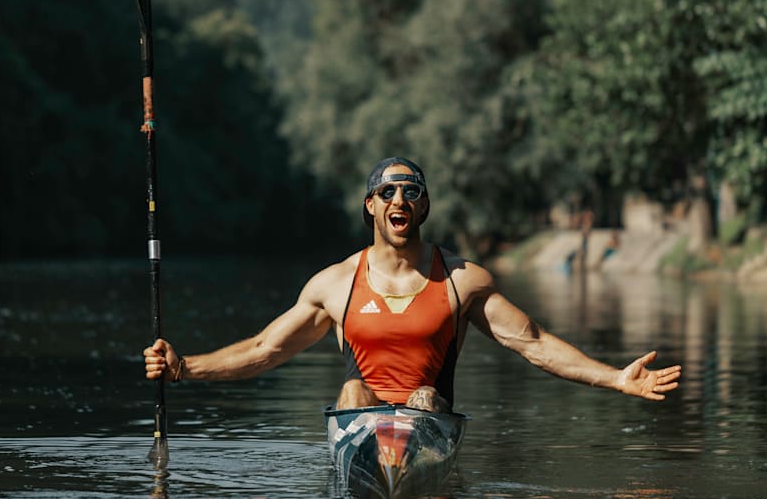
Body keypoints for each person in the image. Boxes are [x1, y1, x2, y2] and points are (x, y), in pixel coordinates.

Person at [143, 157, 681, 413]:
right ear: (370, 206)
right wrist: (185, 368)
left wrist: (616, 379)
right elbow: (265, 349)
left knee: (424, 397)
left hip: (431, 419)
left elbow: (534, 344)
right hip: (360, 424)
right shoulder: (334, 285)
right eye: (387, 191)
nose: (399, 199)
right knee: (354, 390)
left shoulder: (462, 280)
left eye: (410, 191)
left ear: (422, 206)